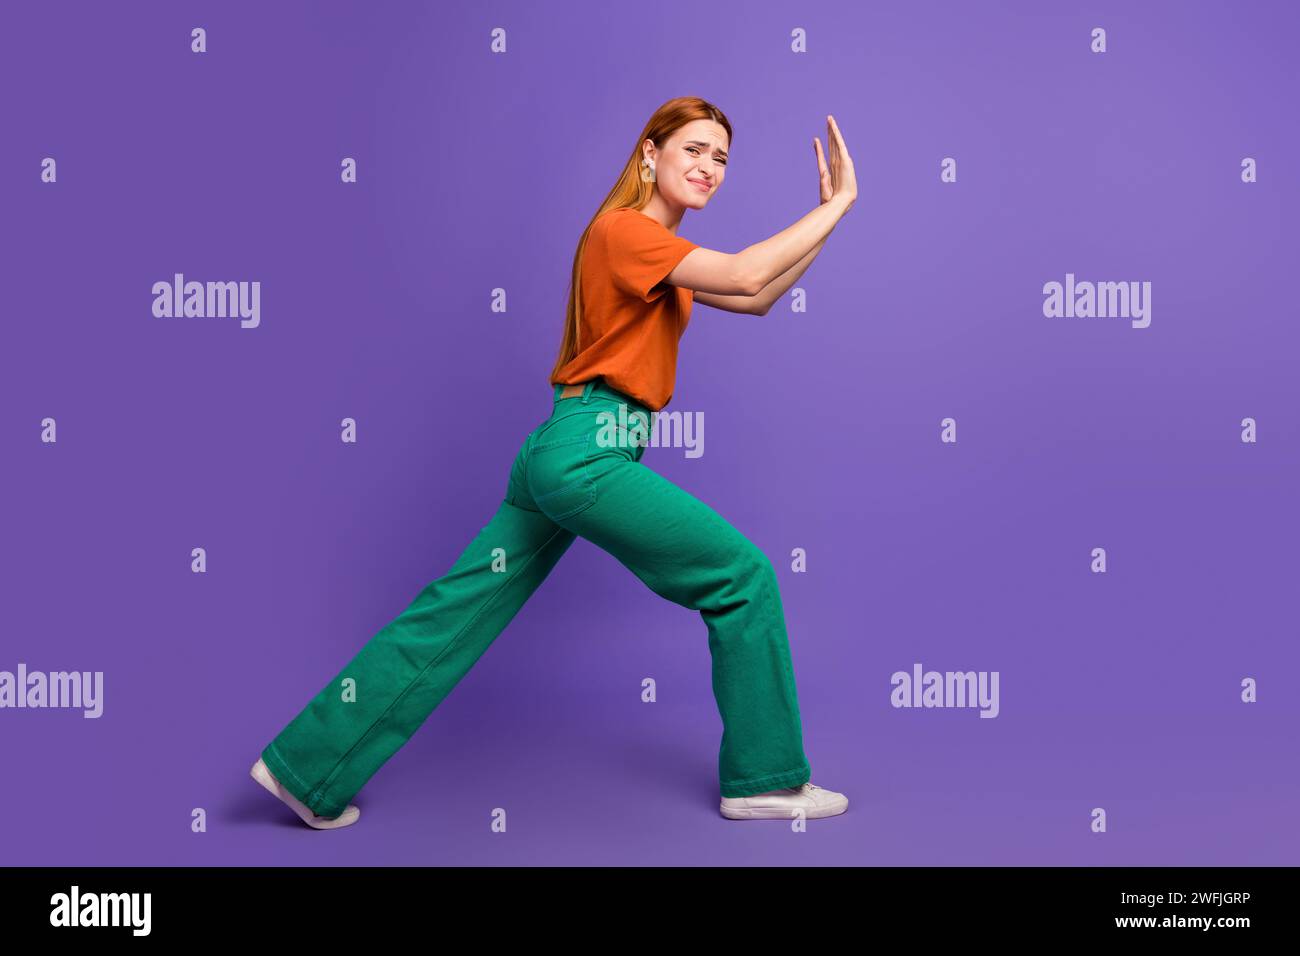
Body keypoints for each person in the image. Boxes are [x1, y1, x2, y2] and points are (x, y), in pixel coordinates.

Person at [251, 96, 857, 827]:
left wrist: (828, 218)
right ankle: (764, 779)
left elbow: (758, 296)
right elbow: (744, 272)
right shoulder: (624, 231)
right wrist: (840, 204)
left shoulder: (659, 255)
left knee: (455, 611)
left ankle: (306, 768)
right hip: (588, 452)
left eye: (721, 158)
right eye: (694, 149)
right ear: (651, 153)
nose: (709, 167)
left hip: (561, 451)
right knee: (743, 576)